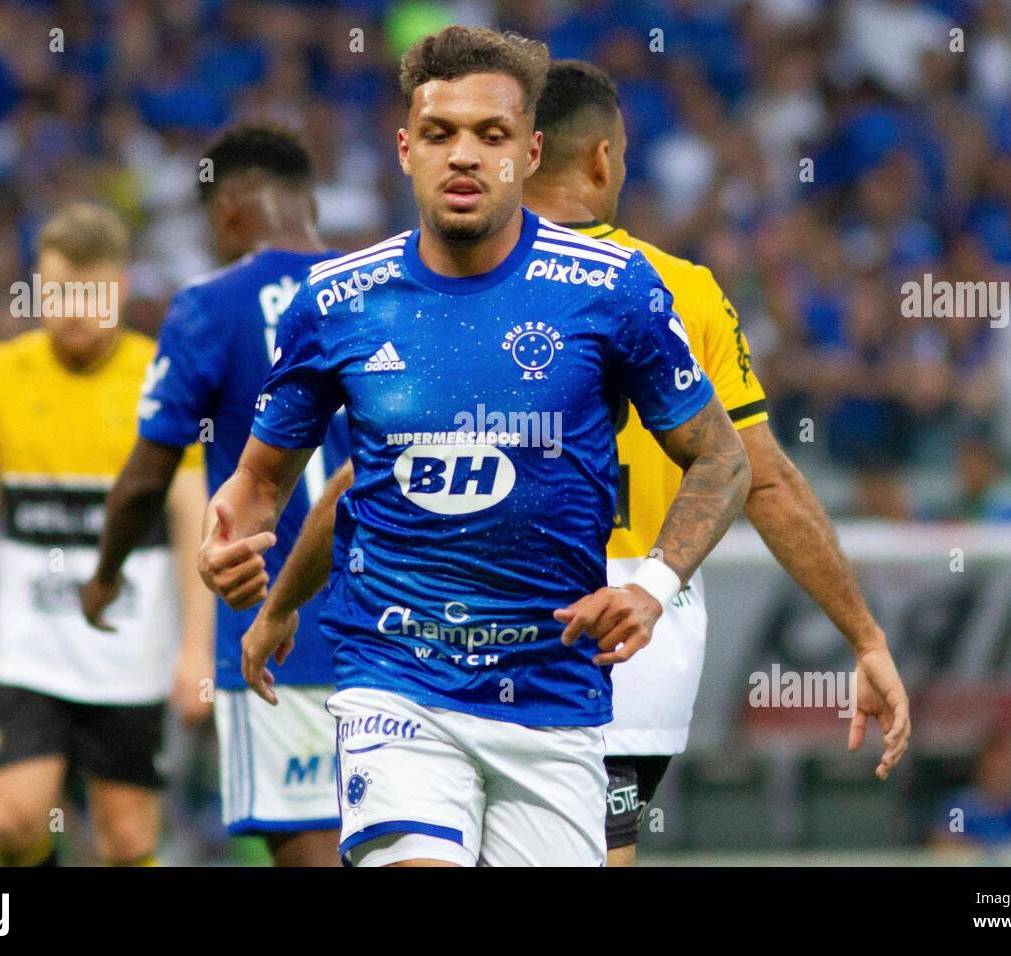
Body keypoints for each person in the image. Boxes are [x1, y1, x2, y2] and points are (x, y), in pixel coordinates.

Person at [279, 59, 913, 865]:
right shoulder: (675, 288)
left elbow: (354, 488)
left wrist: (278, 606)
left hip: (445, 624)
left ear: (527, 150)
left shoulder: (426, 284)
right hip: (632, 633)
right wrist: (864, 637)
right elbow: (765, 479)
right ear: (605, 159)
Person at [199, 25, 753, 867]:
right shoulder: (338, 300)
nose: (464, 155)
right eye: (440, 133)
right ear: (403, 148)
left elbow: (723, 457)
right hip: (395, 682)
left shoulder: (614, 292)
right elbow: (259, 483)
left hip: (553, 693)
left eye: (490, 136)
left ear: (530, 152)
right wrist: (229, 540)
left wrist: (654, 585)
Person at [80, 123, 349, 867]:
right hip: (399, 622)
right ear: (309, 201)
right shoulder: (388, 288)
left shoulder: (209, 305)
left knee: (308, 846)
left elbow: (145, 477)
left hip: (278, 625)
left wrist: (105, 575)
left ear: (227, 209)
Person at [0, 203, 212, 866]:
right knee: (14, 822)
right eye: (54, 291)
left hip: (130, 648)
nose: (68, 309)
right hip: (25, 647)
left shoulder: (159, 377)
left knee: (128, 839)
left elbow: (191, 519)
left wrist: (197, 651)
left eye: (84, 293)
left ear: (116, 288)